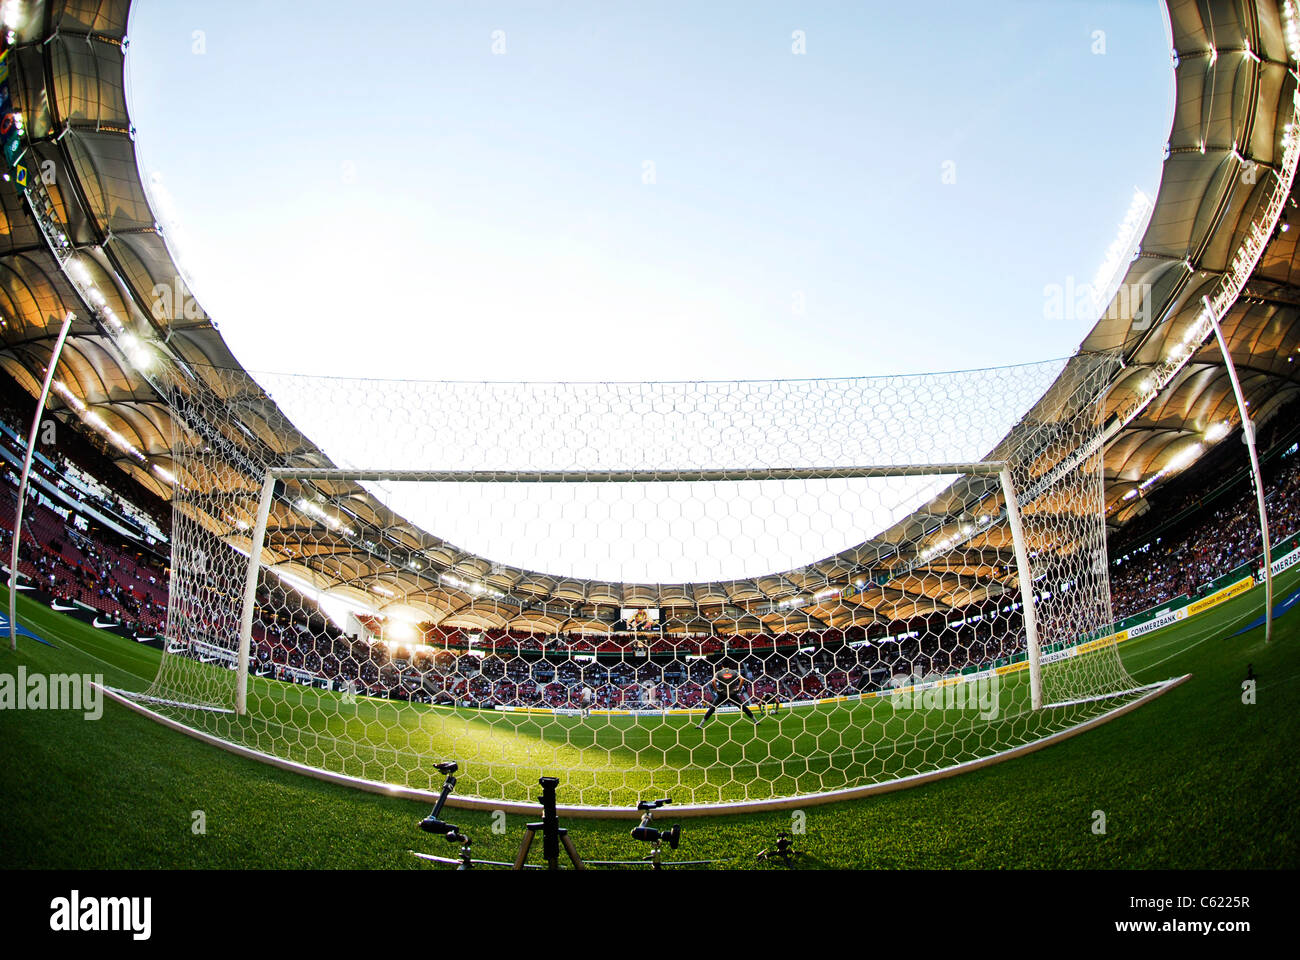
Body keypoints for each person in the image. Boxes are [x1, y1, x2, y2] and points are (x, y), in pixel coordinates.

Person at [696, 663, 760, 728]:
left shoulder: (719, 673)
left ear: (722, 666)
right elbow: (742, 679)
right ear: (729, 666)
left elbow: (713, 681)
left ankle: (701, 724)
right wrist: (739, 688)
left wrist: (717, 690)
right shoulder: (734, 672)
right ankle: (755, 721)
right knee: (743, 707)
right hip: (732, 694)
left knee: (712, 709)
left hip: (722, 694)